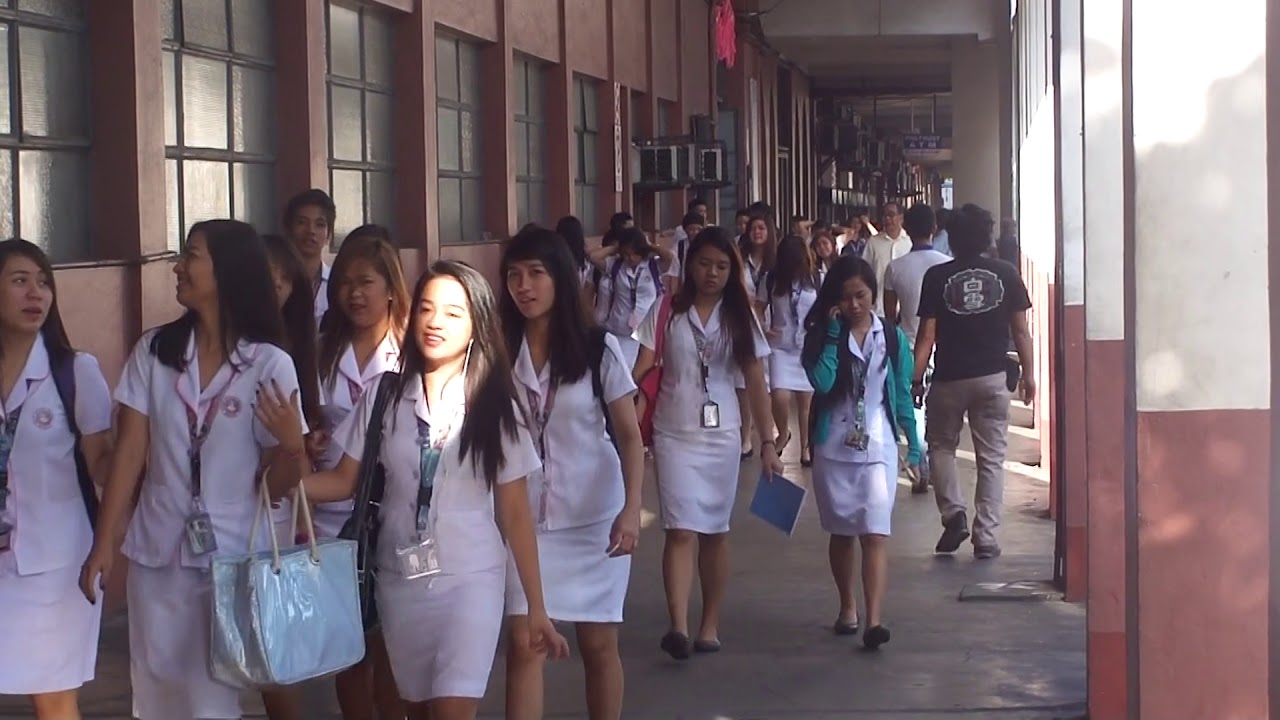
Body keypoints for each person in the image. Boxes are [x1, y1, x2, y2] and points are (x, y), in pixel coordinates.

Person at [302, 260, 570, 720]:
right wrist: (284, 485)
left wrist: (536, 607)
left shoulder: (493, 403)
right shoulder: (385, 396)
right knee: (420, 709)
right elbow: (344, 481)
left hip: (470, 579)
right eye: (426, 309)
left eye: (452, 312)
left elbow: (515, 514)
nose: (435, 323)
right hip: (399, 579)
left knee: (452, 708)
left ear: (476, 325)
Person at [80, 220, 309, 720]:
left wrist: (293, 448)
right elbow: (130, 455)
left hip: (232, 558)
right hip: (157, 552)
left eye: (192, 256)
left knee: (210, 699)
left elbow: (278, 486)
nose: (178, 267)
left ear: (228, 271)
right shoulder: (155, 352)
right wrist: (103, 543)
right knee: (157, 690)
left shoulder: (268, 364)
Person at [499, 227, 646, 720]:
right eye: (514, 275)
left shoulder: (597, 349)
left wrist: (631, 510)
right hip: (525, 522)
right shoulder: (498, 353)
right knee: (524, 644)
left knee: (599, 645)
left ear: (560, 279)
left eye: (536, 273)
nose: (524, 285)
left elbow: (629, 436)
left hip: (595, 520)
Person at [633, 226, 781, 660]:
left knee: (715, 530)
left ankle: (708, 623)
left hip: (722, 436)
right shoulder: (665, 311)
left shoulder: (740, 317)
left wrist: (768, 441)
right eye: (703, 264)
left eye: (721, 266)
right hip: (673, 430)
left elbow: (756, 380)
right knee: (678, 528)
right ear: (689, 263)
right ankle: (677, 625)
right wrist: (620, 411)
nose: (711, 274)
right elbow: (641, 366)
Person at [0, 240, 113, 719]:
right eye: (20, 280)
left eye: (45, 282)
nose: (36, 294)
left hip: (56, 563)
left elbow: (103, 467)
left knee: (52, 696)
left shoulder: (75, 372)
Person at [313, 226, 411, 720]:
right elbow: (308, 420)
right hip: (331, 516)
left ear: (391, 287)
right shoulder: (322, 349)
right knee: (349, 649)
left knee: (390, 648)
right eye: (345, 282)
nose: (353, 293)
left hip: (392, 515)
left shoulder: (414, 354)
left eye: (365, 281)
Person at [802, 255, 920, 650]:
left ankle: (873, 619)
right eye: (847, 297)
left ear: (873, 294)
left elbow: (901, 391)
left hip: (878, 444)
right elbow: (821, 382)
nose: (855, 305)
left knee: (874, 532)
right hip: (833, 446)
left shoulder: (890, 336)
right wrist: (835, 335)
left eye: (862, 296)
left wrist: (914, 445)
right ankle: (847, 605)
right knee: (841, 532)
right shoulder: (822, 334)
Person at [912, 204, 1035, 560]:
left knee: (941, 446)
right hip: (993, 378)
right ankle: (986, 537)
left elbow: (926, 336)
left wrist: (915, 379)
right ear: (986, 237)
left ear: (952, 236)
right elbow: (1021, 332)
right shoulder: (1006, 273)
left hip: (949, 378)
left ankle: (953, 514)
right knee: (991, 459)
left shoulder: (937, 277)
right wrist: (1029, 374)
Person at [258, 233, 326, 720]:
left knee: (271, 654)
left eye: (280, 285)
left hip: (276, 517)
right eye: (263, 281)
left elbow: (296, 457)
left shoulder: (287, 355)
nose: (269, 293)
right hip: (214, 520)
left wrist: (300, 443)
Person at [882, 205, 950, 494]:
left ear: (906, 229)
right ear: (934, 228)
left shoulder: (895, 268)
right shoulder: (947, 264)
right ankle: (935, 465)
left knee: (914, 410)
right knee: (941, 411)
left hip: (908, 349)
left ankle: (918, 464)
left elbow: (889, 317)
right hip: (944, 348)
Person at [759, 235, 819, 467]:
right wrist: (763, 329)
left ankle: (805, 446)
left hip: (806, 345)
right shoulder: (772, 279)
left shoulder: (815, 278)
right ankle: (783, 432)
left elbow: (823, 308)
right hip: (781, 346)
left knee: (806, 401)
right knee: (780, 395)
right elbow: (758, 306)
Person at [588, 227, 675, 369]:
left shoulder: (653, 266)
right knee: (619, 370)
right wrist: (615, 248)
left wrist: (649, 245)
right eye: (626, 254)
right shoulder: (616, 266)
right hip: (619, 328)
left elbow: (670, 257)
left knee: (643, 371)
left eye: (635, 254)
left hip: (645, 330)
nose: (630, 258)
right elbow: (593, 257)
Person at [735, 214, 777, 458]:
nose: (757, 232)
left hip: (773, 325)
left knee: (767, 383)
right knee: (743, 382)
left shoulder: (776, 261)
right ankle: (744, 438)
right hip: (746, 323)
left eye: (762, 226)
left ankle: (766, 434)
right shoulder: (740, 258)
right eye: (753, 228)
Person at [283, 189, 337, 325]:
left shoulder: (337, 282)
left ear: (329, 234)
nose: (310, 231)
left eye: (320, 224)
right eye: (302, 222)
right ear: (288, 229)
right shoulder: (276, 282)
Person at [860, 203, 912, 315]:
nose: (887, 219)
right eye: (884, 216)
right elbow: (864, 273)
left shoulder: (909, 242)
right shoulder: (873, 242)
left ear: (901, 218)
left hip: (905, 311)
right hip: (878, 310)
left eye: (891, 215)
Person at [662, 212, 707, 294]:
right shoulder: (679, 247)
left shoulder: (708, 246)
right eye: (692, 229)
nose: (695, 232)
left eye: (699, 229)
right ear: (685, 230)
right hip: (685, 291)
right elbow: (674, 275)